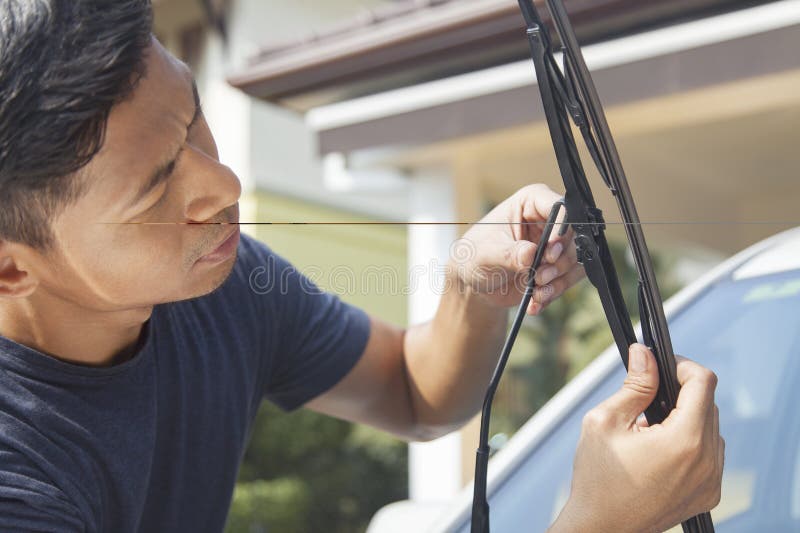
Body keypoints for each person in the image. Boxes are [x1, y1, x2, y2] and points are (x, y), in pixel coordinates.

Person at [0, 1, 723, 532]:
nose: (222, 185)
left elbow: (412, 391)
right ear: (12, 269)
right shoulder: (18, 481)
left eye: (193, 117)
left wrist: (470, 287)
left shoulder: (218, 289)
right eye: (158, 184)